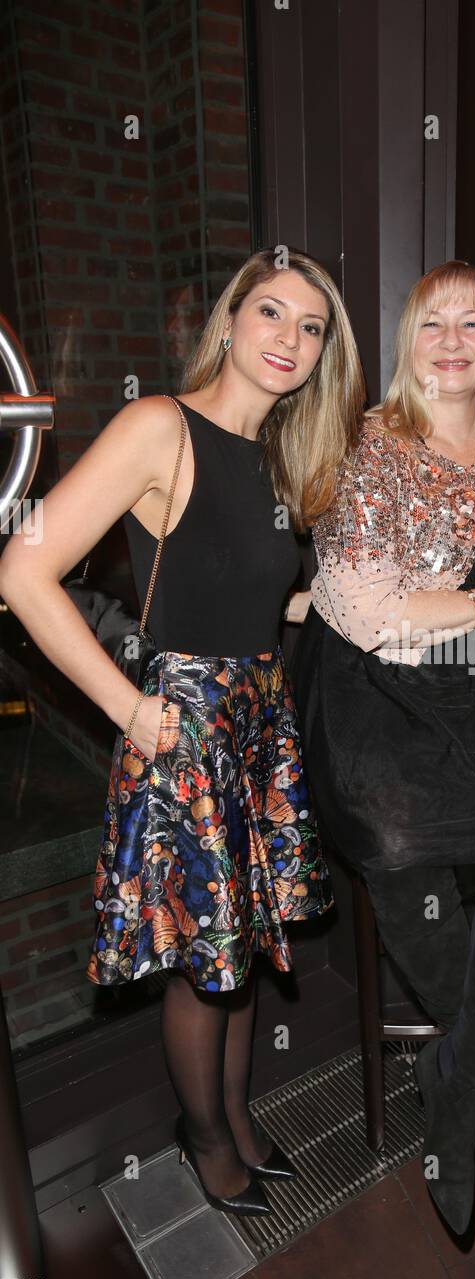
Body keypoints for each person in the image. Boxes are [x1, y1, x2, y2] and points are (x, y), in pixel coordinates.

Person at [0, 246, 365, 1215]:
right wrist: (125, 709)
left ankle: (235, 1118)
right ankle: (203, 1137)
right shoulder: (160, 426)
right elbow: (20, 574)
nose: (289, 338)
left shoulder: (276, 454)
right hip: (185, 734)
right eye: (271, 313)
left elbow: (242, 591)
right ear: (231, 320)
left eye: (311, 327)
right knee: (205, 966)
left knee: (234, 952)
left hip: (254, 724)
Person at [291, 259, 475, 1237]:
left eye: (474, 324)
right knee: (391, 835)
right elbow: (371, 611)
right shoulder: (369, 444)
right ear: (407, 344)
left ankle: (454, 1079)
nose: (454, 341)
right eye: (434, 324)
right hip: (382, 687)